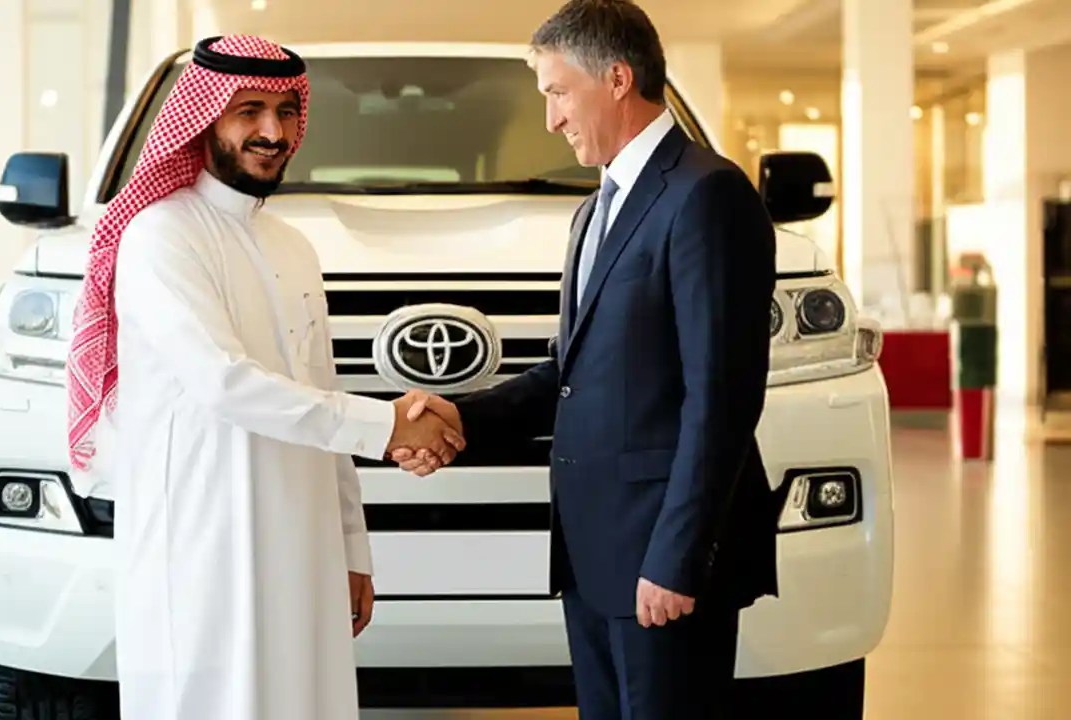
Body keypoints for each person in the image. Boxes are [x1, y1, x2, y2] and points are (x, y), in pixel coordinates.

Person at [391, 1, 780, 717]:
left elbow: (721, 399)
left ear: (618, 78)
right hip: (596, 555)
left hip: (661, 562)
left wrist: (676, 558)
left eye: (557, 92)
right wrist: (458, 415)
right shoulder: (595, 209)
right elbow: (569, 378)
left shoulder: (706, 194)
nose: (551, 119)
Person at [65, 35, 465, 720]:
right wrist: (390, 423)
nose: (273, 131)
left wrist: (349, 547)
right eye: (249, 110)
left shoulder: (293, 245)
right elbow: (223, 380)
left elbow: (320, 391)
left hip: (301, 540)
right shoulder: (162, 235)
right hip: (202, 539)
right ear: (205, 119)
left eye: (285, 111)